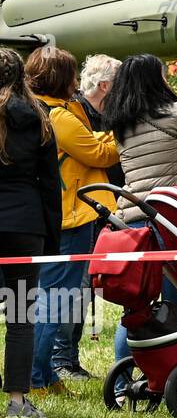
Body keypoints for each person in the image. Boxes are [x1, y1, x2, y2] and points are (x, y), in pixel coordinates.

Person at [26, 46, 119, 394]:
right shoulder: (58, 116)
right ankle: (36, 377)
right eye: (73, 75)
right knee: (57, 298)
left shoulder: (48, 109)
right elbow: (100, 152)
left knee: (47, 296)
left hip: (55, 214)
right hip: (70, 217)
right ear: (62, 79)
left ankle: (46, 375)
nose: (78, 82)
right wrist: (119, 131)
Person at [100, 54, 177, 383]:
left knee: (136, 306)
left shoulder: (120, 123)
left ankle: (126, 378)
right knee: (174, 300)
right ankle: (174, 373)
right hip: (169, 218)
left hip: (130, 218)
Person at [0, 48, 61, 418]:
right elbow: (51, 184)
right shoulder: (40, 118)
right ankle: (18, 401)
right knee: (21, 315)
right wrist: (50, 238)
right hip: (25, 225)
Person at [59, 53, 122, 378]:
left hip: (99, 212)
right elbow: (98, 152)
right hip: (77, 214)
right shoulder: (73, 113)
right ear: (104, 85)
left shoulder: (97, 114)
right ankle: (62, 360)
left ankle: (67, 359)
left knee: (82, 288)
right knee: (74, 287)